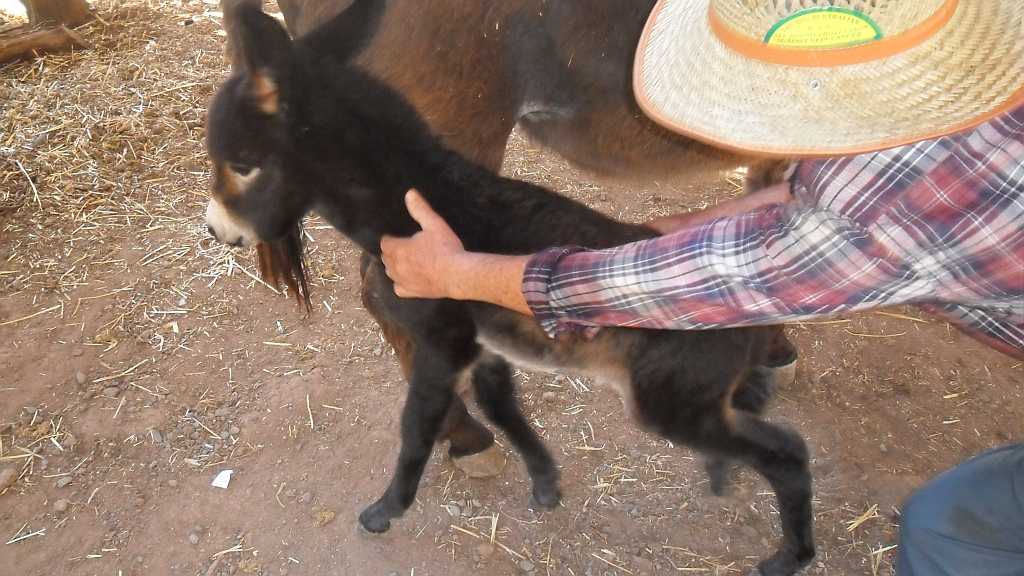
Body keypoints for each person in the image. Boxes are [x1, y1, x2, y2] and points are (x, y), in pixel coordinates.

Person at [379, 1, 1024, 573]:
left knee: (945, 531)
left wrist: (458, 275)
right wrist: (688, 224)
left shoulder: (876, 221)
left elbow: (661, 288)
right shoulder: (964, 95)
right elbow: (823, 183)